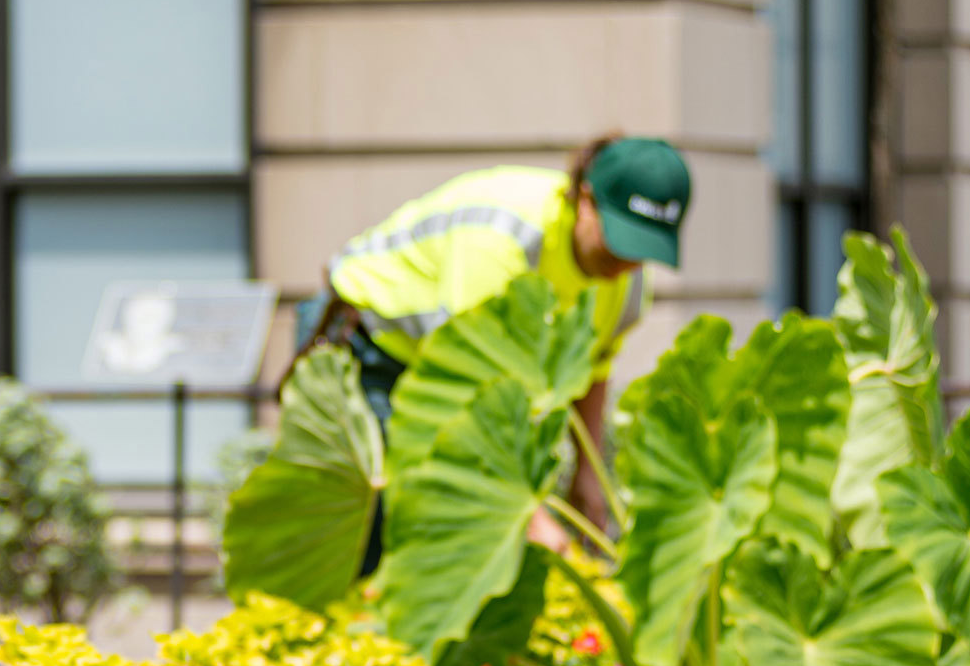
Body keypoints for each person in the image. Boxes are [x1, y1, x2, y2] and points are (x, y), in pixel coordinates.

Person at [295, 134, 691, 525]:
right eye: (618, 243)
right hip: (368, 343)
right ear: (585, 200)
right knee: (385, 523)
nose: (626, 263)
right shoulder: (503, 240)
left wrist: (589, 473)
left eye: (643, 250)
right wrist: (530, 517)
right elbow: (468, 390)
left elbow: (593, 368)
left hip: (446, 373)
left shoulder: (629, 284)